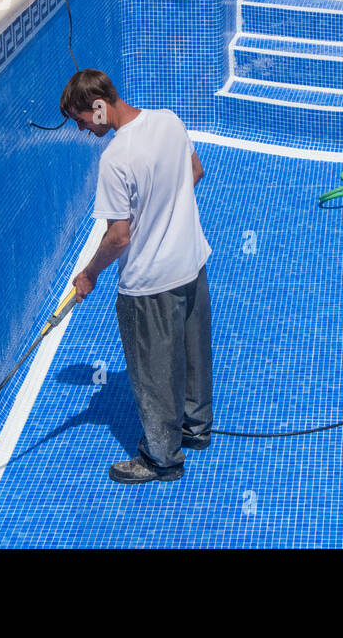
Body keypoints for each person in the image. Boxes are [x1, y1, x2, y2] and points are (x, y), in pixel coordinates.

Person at [60, 69, 213, 484]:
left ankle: (162, 458)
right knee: (192, 351)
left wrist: (89, 274)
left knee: (153, 372)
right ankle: (196, 429)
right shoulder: (169, 120)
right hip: (192, 263)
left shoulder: (115, 158)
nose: (81, 128)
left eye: (80, 119)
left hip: (150, 284)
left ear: (99, 107)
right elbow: (194, 172)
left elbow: (118, 236)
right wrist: (167, 211)